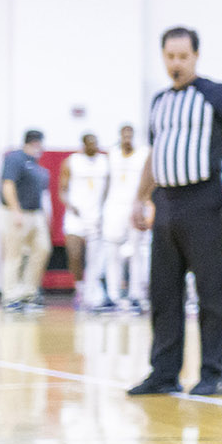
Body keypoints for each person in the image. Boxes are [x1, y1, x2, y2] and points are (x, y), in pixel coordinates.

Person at [127, 27, 222, 398]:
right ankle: (164, 373)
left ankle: (211, 373)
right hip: (166, 204)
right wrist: (139, 198)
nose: (176, 63)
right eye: (170, 56)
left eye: (182, 57)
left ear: (196, 56)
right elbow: (155, 156)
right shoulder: (159, 101)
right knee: (163, 293)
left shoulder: (217, 94)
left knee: (210, 292)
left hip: (205, 201)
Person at [92, 123, 150, 313]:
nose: (127, 137)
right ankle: (113, 295)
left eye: (130, 134)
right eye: (124, 134)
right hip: (114, 207)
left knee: (137, 252)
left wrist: (145, 204)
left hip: (135, 206)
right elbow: (106, 183)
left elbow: (150, 181)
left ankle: (136, 295)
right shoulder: (111, 154)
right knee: (112, 252)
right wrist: (100, 209)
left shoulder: (143, 153)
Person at [0, 129, 51, 312]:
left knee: (43, 249)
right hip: (16, 212)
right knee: (15, 255)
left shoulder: (36, 165)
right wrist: (16, 210)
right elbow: (8, 185)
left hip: (36, 214)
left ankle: (29, 293)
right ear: (35, 142)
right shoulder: (15, 159)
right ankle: (11, 297)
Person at [59, 132, 109, 309]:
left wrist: (104, 210)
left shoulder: (105, 162)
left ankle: (93, 291)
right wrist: (71, 205)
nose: (93, 146)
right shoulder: (72, 162)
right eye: (90, 143)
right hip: (76, 216)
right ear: (83, 145)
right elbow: (62, 191)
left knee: (95, 258)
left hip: (97, 216)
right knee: (74, 254)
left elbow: (109, 189)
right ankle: (79, 288)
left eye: (96, 142)